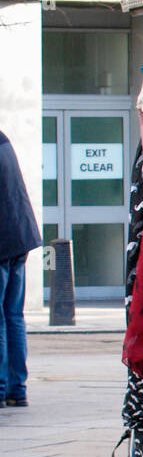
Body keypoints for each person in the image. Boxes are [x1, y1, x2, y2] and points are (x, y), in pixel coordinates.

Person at [0, 130, 41, 408]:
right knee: (14, 315)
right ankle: (18, 387)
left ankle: (1, 388)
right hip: (20, 236)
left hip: (3, 242)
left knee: (3, 318)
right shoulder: (4, 140)